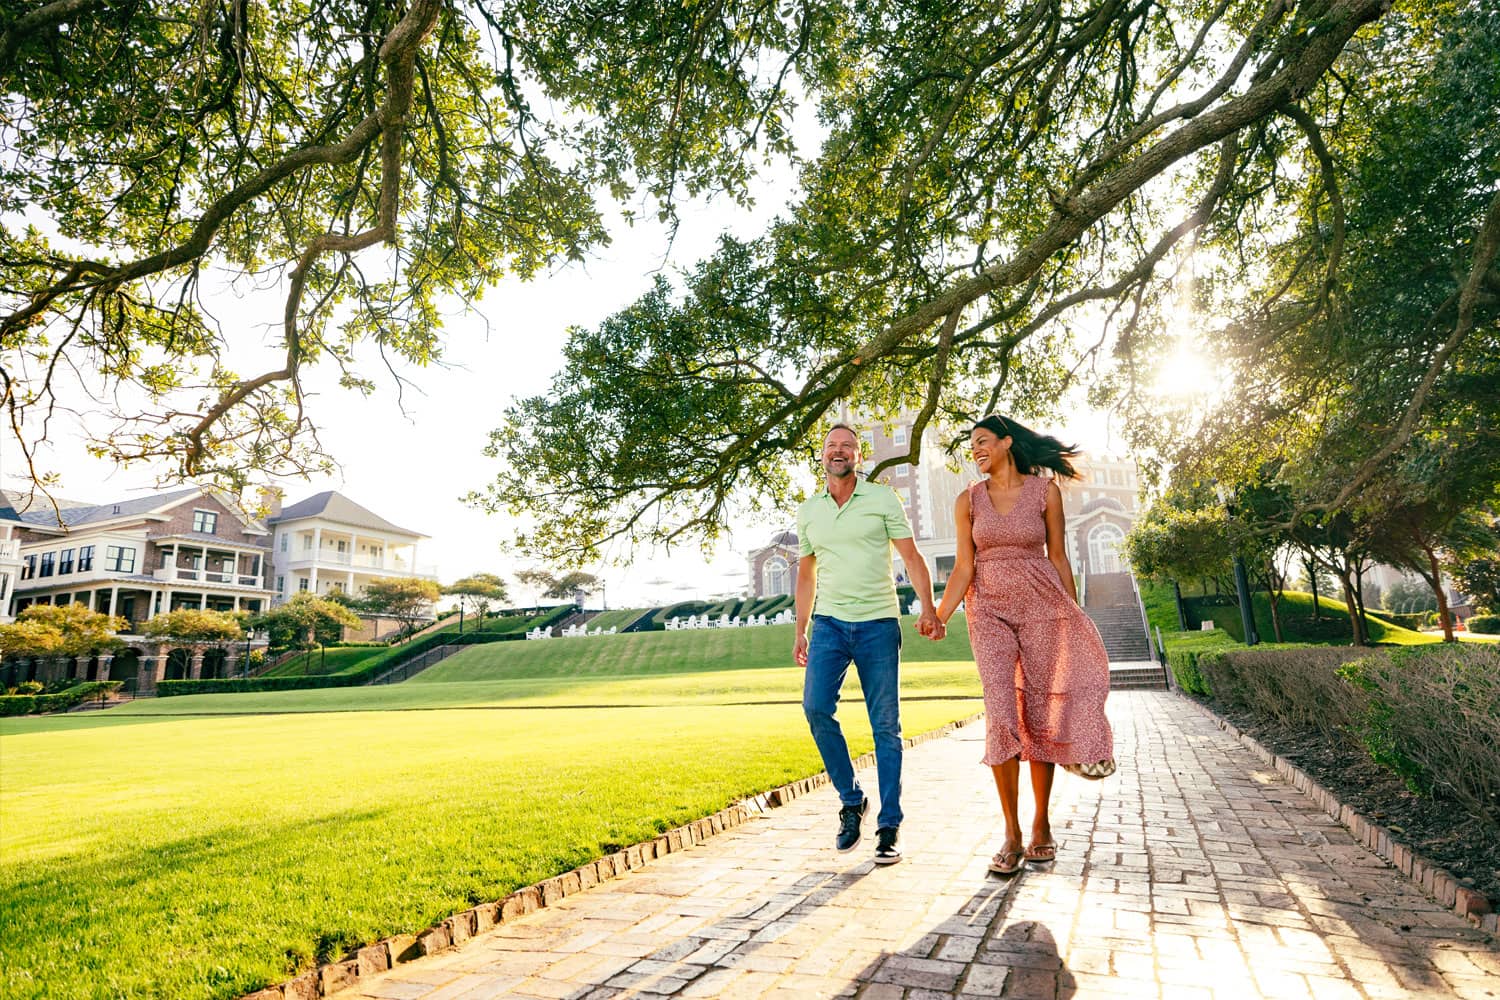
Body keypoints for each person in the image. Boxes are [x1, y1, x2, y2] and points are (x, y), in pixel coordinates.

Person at [927, 414, 1114, 875]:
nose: (976, 450)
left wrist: (1072, 614)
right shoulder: (967, 501)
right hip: (987, 608)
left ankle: (1040, 824)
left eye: (983, 441)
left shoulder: (1044, 492)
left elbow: (1058, 557)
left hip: (1043, 608)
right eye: (972, 445)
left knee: (1037, 712)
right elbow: (964, 567)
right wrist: (940, 613)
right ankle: (1010, 832)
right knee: (1001, 709)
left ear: (1008, 443)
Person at [795, 423, 940, 865]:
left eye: (848, 447)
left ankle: (889, 826)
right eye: (831, 446)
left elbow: (912, 556)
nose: (839, 452)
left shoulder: (881, 499)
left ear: (859, 455)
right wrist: (801, 628)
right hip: (829, 626)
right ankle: (851, 798)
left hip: (878, 623)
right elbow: (805, 574)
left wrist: (928, 608)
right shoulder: (809, 511)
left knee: (885, 727)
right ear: (821, 455)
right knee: (816, 708)